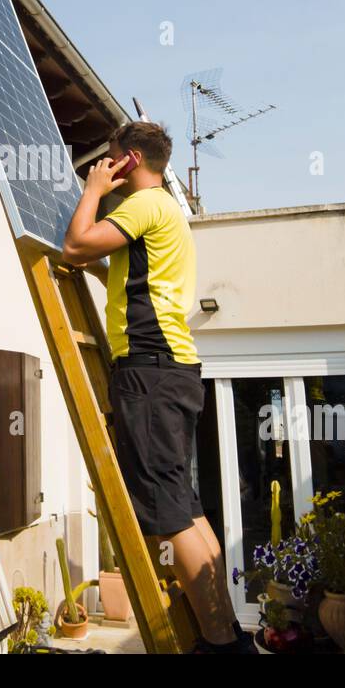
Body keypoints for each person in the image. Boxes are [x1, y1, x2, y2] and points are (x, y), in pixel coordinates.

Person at [62, 121, 253, 654]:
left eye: (112, 157)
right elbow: (109, 265)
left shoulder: (143, 205)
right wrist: (101, 265)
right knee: (184, 507)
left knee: (167, 512)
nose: (105, 165)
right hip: (171, 370)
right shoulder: (166, 210)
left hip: (152, 369)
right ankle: (227, 633)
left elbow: (76, 242)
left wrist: (92, 193)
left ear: (131, 159)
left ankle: (220, 643)